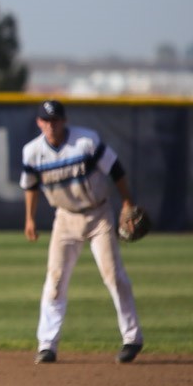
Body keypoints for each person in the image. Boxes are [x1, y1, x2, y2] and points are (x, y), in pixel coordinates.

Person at [20, 99, 144, 364]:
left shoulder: (86, 142)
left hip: (98, 214)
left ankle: (132, 339)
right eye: (46, 121)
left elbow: (116, 169)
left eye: (55, 120)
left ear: (64, 120)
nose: (51, 126)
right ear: (39, 123)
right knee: (54, 281)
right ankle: (47, 345)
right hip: (64, 218)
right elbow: (30, 186)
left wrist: (126, 203)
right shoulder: (32, 152)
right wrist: (29, 219)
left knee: (113, 276)